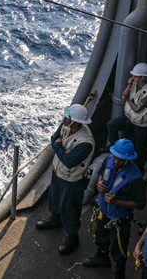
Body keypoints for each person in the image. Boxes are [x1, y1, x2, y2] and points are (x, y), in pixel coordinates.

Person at [36, 103, 95, 255]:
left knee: (70, 208)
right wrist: (62, 150)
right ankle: (55, 218)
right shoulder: (65, 126)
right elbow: (54, 138)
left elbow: (69, 161)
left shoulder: (85, 142)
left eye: (67, 117)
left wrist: (58, 147)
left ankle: (72, 236)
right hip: (58, 171)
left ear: (74, 122)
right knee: (54, 197)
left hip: (72, 179)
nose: (64, 118)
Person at [85, 139, 145, 278]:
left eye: (120, 159)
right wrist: (99, 183)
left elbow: (140, 203)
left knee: (119, 245)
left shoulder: (135, 178)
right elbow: (101, 172)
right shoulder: (109, 160)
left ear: (128, 159)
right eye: (115, 157)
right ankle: (102, 257)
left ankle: (120, 270)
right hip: (103, 210)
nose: (116, 161)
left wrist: (116, 201)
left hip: (119, 217)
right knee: (100, 235)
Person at [106, 63, 147, 165]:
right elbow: (123, 96)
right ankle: (115, 147)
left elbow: (137, 108)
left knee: (139, 148)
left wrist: (128, 100)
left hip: (141, 124)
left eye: (136, 76)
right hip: (130, 118)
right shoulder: (133, 84)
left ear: (143, 78)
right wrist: (129, 85)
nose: (133, 78)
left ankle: (138, 166)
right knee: (112, 124)